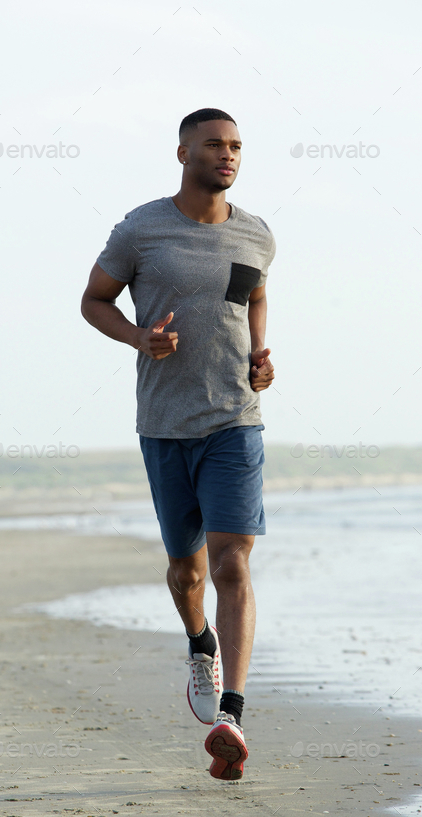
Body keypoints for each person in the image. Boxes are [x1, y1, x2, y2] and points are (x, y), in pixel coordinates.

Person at [81, 107, 276, 781]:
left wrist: (260, 358)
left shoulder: (255, 234)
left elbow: (251, 298)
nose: (229, 156)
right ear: (183, 152)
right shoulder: (141, 230)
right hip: (164, 424)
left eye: (237, 147)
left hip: (234, 421)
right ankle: (200, 642)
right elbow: (94, 300)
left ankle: (232, 714)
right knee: (187, 573)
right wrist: (140, 339)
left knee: (231, 566)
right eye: (216, 145)